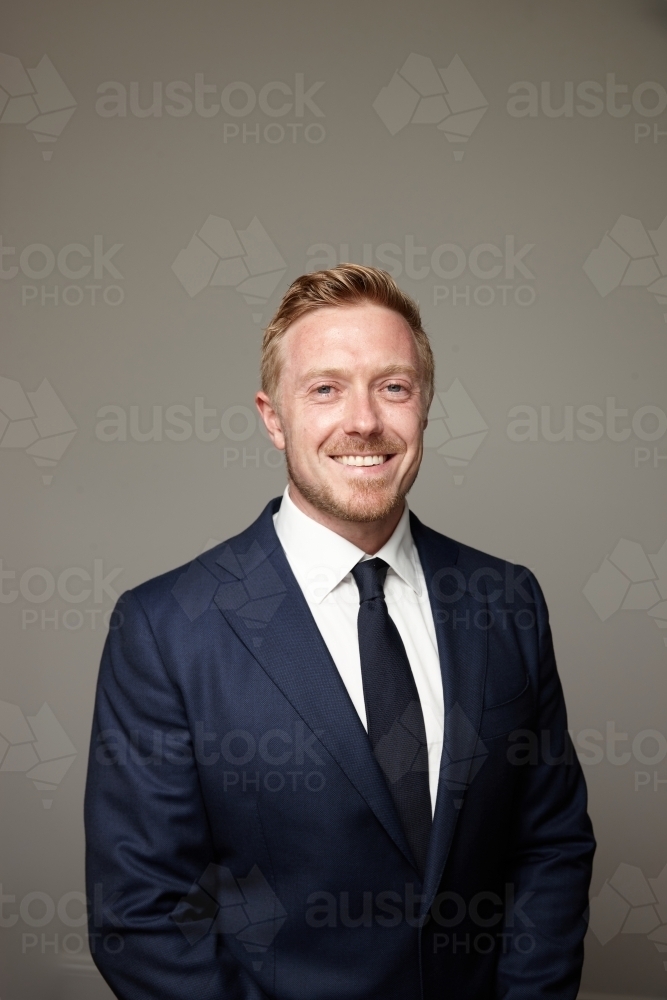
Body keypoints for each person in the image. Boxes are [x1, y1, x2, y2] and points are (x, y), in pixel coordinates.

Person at [85, 264, 595, 1000]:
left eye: (393, 387)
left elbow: (549, 847)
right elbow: (141, 913)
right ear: (272, 416)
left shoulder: (505, 600)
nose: (363, 421)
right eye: (324, 389)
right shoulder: (166, 628)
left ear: (423, 406)